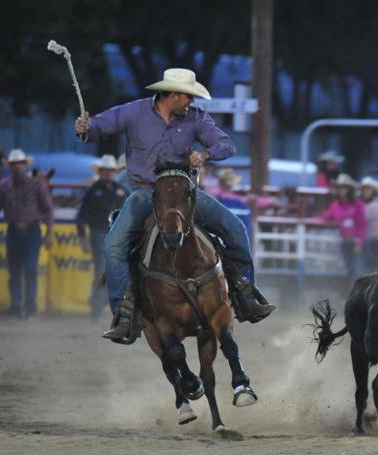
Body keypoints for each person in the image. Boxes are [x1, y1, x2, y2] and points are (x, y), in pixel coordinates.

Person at [74, 68, 274, 341]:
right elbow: (98, 127)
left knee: (235, 228)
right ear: (175, 95)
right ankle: (124, 313)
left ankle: (244, 294)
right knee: (113, 246)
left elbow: (226, 144)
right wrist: (86, 129)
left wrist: (206, 153)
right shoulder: (134, 112)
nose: (191, 102)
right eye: (188, 97)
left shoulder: (196, 118)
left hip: (185, 193)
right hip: (146, 193)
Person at [0, 149, 54, 319]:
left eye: (19, 164)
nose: (16, 167)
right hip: (14, 229)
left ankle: (29, 308)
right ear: (10, 166)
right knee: (15, 271)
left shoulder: (37, 185)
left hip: (32, 230)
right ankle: (16, 308)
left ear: (25, 165)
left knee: (30, 269)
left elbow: (48, 209)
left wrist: (49, 232)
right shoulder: (3, 186)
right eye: (13, 164)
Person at [76, 154, 129, 320]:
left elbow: (131, 213)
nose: (108, 173)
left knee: (116, 272)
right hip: (99, 234)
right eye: (105, 170)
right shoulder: (92, 191)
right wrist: (83, 238)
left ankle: (110, 310)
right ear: (100, 172)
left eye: (110, 170)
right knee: (102, 271)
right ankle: (98, 310)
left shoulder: (122, 191)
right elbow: (81, 216)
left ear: (114, 172)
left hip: (118, 236)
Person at [316, 173, 366, 278]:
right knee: (348, 269)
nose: (342, 190)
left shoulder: (357, 204)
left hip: (355, 240)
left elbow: (362, 224)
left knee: (357, 270)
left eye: (344, 188)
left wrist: (359, 243)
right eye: (340, 188)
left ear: (349, 190)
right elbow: (325, 217)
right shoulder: (336, 205)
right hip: (345, 241)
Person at [360, 176, 378, 272]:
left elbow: (362, 218)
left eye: (368, 190)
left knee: (373, 266)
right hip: (375, 240)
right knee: (374, 265)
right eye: (364, 190)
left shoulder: (374, 206)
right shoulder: (376, 204)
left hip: (376, 241)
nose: (366, 192)